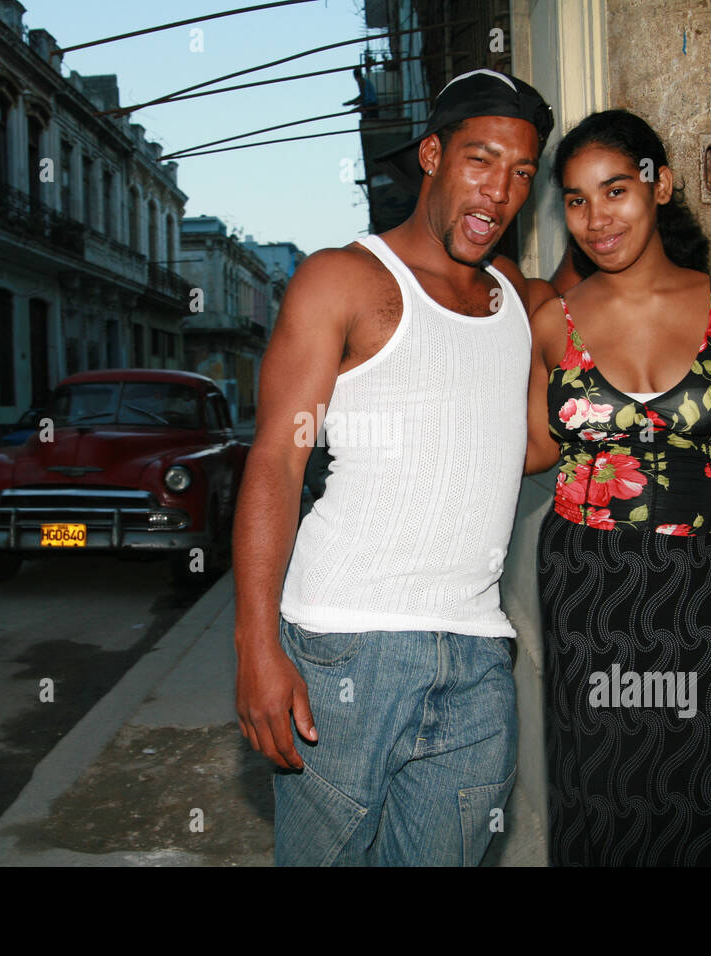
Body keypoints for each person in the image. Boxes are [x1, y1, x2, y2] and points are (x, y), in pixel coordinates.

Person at [233, 69, 553, 866]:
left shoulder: (512, 292)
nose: (500, 191)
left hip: (479, 653)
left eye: (521, 173)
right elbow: (276, 456)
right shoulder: (342, 279)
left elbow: (525, 445)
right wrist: (255, 645)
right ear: (433, 155)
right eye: (481, 161)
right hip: (347, 647)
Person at [524, 109, 711, 866]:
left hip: (702, 577)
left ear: (660, 185)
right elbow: (535, 449)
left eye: (615, 191)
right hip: (586, 580)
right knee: (597, 780)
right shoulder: (553, 321)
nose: (595, 218)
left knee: (696, 778)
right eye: (576, 200)